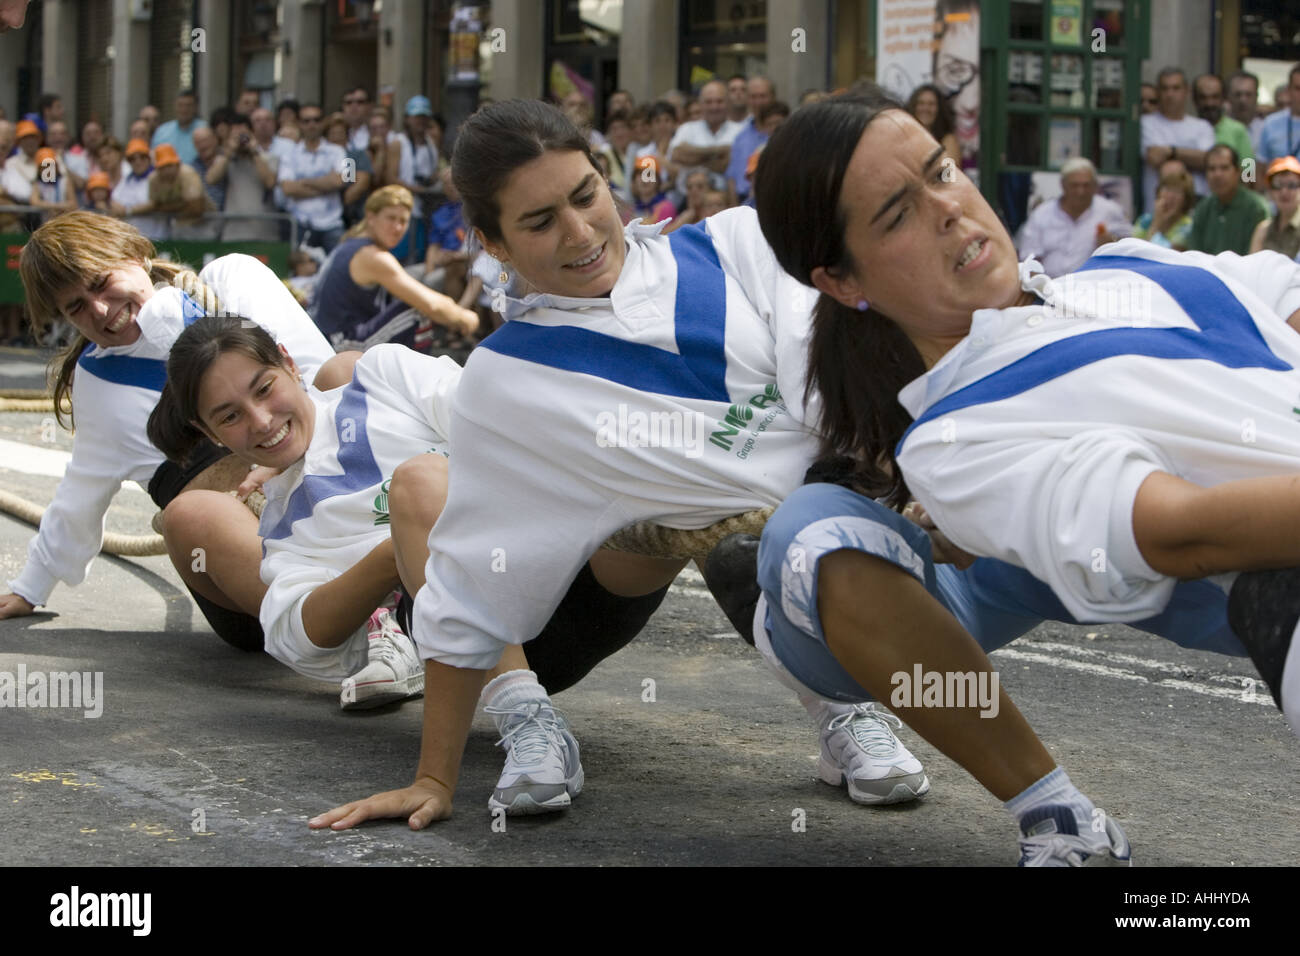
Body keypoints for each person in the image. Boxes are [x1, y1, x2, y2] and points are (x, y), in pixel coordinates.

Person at [311, 99, 939, 840]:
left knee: (741, 520)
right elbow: (469, 583)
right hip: (550, 621)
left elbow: (824, 395)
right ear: (491, 242)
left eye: (586, 196)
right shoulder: (504, 377)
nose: (580, 234)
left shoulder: (740, 242)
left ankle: (838, 702)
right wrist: (434, 776)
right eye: (540, 222)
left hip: (743, 550)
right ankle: (526, 718)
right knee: (428, 482)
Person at [750, 88, 1300, 838]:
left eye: (940, 172)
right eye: (896, 214)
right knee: (810, 536)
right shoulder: (959, 436)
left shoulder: (1130, 267)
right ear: (843, 282)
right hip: (1265, 585)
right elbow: (1183, 532)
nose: (947, 208)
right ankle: (1052, 809)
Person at [2, 211, 354, 652]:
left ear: (134, 254)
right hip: (250, 573)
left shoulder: (232, 282)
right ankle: (355, 621)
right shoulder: (98, 383)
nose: (100, 310)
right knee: (189, 515)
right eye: (75, 307)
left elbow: (323, 385)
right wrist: (31, 585)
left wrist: (280, 462)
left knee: (348, 370)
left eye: (99, 283)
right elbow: (81, 491)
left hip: (339, 498)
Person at [309, 185, 477, 352]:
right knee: (418, 311)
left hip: (324, 338)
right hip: (340, 345)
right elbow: (431, 305)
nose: (397, 228)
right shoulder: (372, 256)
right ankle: (415, 376)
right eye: (391, 218)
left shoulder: (349, 243)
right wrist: (464, 317)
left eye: (403, 221)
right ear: (371, 217)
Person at [1017, 158, 1132, 276]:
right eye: (1074, 185)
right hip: (1049, 286)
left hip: (1094, 285)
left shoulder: (1110, 211)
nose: (1080, 191)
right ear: (1063, 185)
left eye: (1086, 185)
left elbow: (1130, 248)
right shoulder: (1042, 214)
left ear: (1095, 186)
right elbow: (1029, 259)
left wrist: (1111, 243)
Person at [1141, 68, 1215, 213]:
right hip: (1157, 212)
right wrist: (1192, 157)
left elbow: (1209, 160)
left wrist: (1170, 152)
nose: (1170, 94)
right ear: (1158, 92)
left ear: (1187, 91)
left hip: (1196, 211)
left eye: (1176, 88)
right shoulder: (1146, 123)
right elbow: (1154, 157)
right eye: (1165, 88)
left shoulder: (1203, 126)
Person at [279, 103, 347, 253]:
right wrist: (326, 185)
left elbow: (341, 181)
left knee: (337, 271)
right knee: (299, 273)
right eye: (306, 121)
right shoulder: (289, 153)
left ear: (323, 123)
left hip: (332, 223)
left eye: (316, 120)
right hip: (301, 223)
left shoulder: (338, 151)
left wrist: (304, 182)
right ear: (299, 124)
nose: (312, 125)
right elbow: (288, 188)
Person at [1187, 144, 1268, 255]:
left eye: (1224, 168)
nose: (1217, 174)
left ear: (1237, 172)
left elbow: (1255, 258)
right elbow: (1194, 254)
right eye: (1212, 169)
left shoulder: (1255, 207)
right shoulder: (1203, 208)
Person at [668, 79, 743, 197]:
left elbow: (729, 164)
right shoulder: (687, 128)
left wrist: (694, 159)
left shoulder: (740, 130)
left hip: (729, 201)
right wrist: (718, 151)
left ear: (728, 103)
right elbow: (677, 154)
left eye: (719, 101)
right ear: (701, 104)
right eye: (709, 102)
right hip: (688, 200)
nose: (714, 107)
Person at [724, 76, 776, 205]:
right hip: (745, 202)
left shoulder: (784, 132)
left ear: (773, 98)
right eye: (753, 97)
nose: (758, 102)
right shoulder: (741, 136)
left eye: (762, 96)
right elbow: (732, 179)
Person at [1193, 73, 1255, 167]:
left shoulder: (1237, 130)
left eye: (1215, 97)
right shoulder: (1187, 128)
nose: (1209, 103)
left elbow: (1249, 173)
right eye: (1203, 97)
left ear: (1223, 98)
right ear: (1195, 100)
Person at [1249, 156, 1300, 257]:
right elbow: (1252, 268)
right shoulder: (1263, 230)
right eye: (1277, 185)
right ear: (1270, 191)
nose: (1284, 191)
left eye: (1292, 185)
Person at [1131, 170, 1195, 250]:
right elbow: (1134, 251)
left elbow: (1166, 255)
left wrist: (1156, 224)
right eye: (1167, 189)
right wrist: (1156, 222)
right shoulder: (1144, 220)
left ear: (1186, 200)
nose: (1170, 196)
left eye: (1177, 191)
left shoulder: (1188, 226)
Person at [1256, 64, 1300, 171]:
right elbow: (1258, 166)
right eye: (1298, 88)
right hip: (1276, 186)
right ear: (1289, 90)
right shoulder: (1271, 123)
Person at [906, 83, 959, 167]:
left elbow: (950, 175)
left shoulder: (948, 140)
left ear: (939, 109)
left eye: (931, 104)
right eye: (921, 103)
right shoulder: (905, 138)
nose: (926, 108)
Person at [151, 89, 208, 166]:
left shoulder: (205, 129)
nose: (184, 110)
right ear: (174, 106)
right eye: (180, 105)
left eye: (188, 106)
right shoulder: (162, 131)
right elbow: (154, 158)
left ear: (195, 108)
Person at [1227, 70, 1266, 153]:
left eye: (1248, 94)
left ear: (1256, 97)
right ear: (1229, 97)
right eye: (1238, 94)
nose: (1243, 100)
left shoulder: (1266, 129)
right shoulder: (1220, 128)